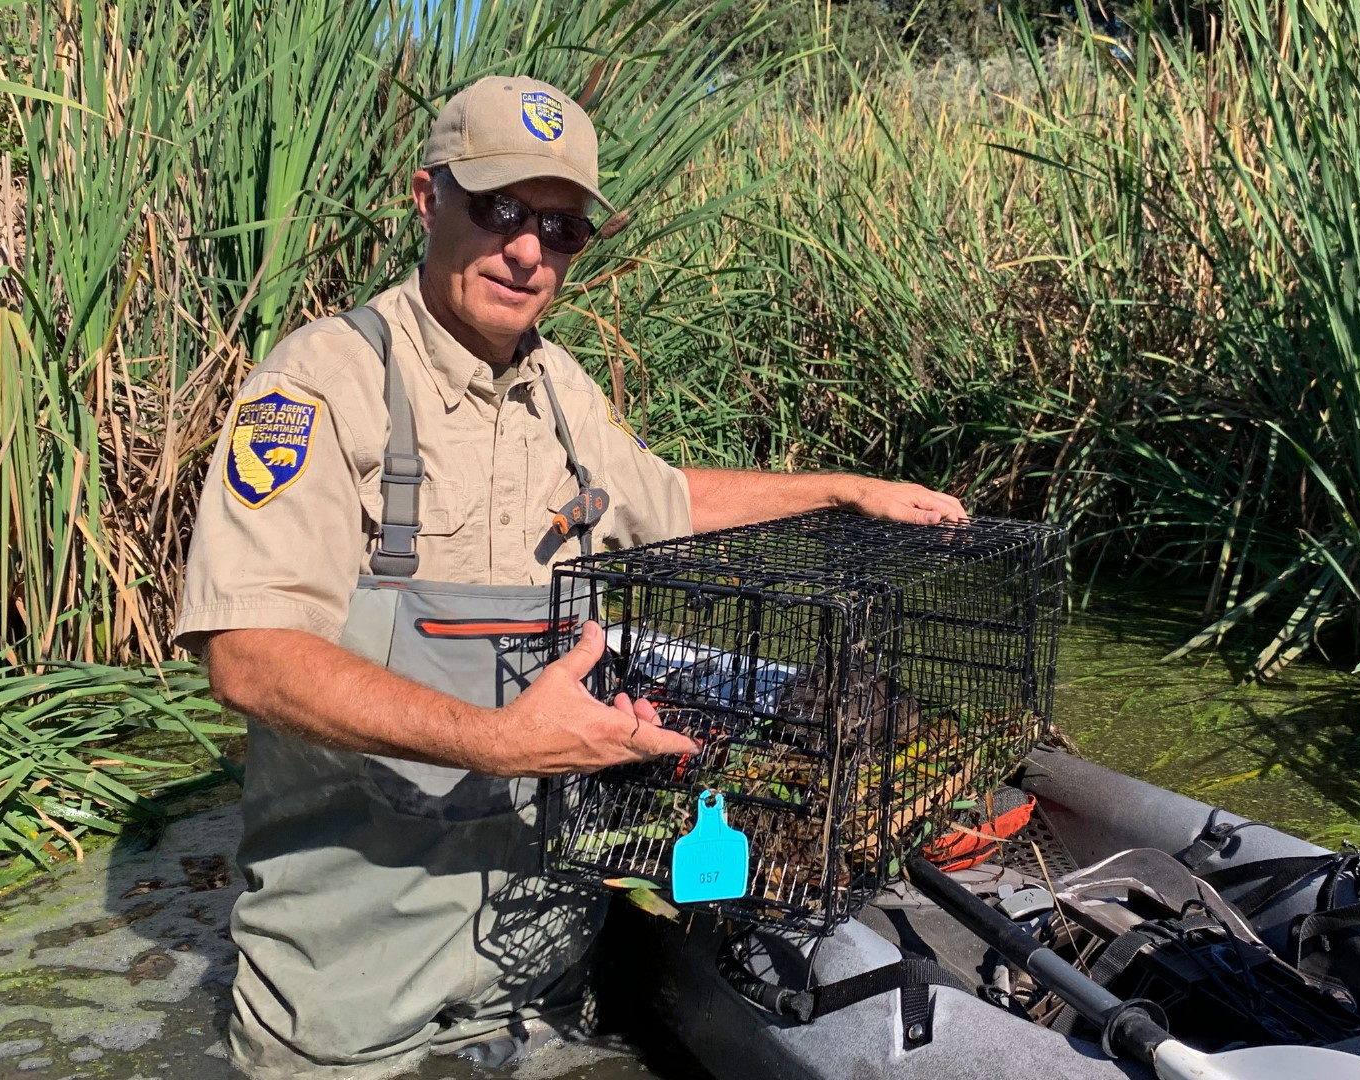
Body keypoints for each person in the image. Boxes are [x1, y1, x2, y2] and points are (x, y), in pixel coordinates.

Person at [172, 74, 967, 1079]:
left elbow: (664, 498)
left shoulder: (563, 390)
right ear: (427, 199)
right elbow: (249, 659)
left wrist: (841, 489)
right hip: (351, 997)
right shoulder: (320, 383)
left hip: (541, 988)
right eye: (500, 208)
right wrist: (498, 742)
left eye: (561, 227)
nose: (526, 249)